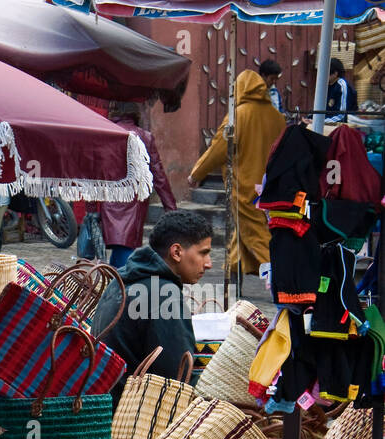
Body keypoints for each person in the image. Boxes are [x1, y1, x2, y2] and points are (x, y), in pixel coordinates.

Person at [89, 210, 213, 389]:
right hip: (129, 407)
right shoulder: (162, 293)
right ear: (176, 252)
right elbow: (177, 375)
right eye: (203, 253)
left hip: (105, 395)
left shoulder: (123, 278)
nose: (208, 263)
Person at [187, 69, 285, 278]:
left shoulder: (239, 115)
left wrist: (197, 173)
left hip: (245, 185)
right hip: (270, 185)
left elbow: (220, 148)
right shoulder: (277, 117)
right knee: (241, 229)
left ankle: (281, 275)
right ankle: (233, 268)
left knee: (256, 233)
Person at [100, 102, 176, 269]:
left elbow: (94, 172)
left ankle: (117, 284)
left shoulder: (104, 133)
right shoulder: (145, 137)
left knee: (120, 249)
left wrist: (91, 208)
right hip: (133, 202)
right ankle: (120, 285)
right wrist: (171, 208)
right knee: (125, 246)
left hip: (109, 198)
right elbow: (159, 176)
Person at [326, 58, 357, 124]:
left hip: (342, 126)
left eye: (327, 73)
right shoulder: (325, 86)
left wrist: (321, 121)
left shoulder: (342, 86)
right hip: (326, 122)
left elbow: (342, 115)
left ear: (335, 73)